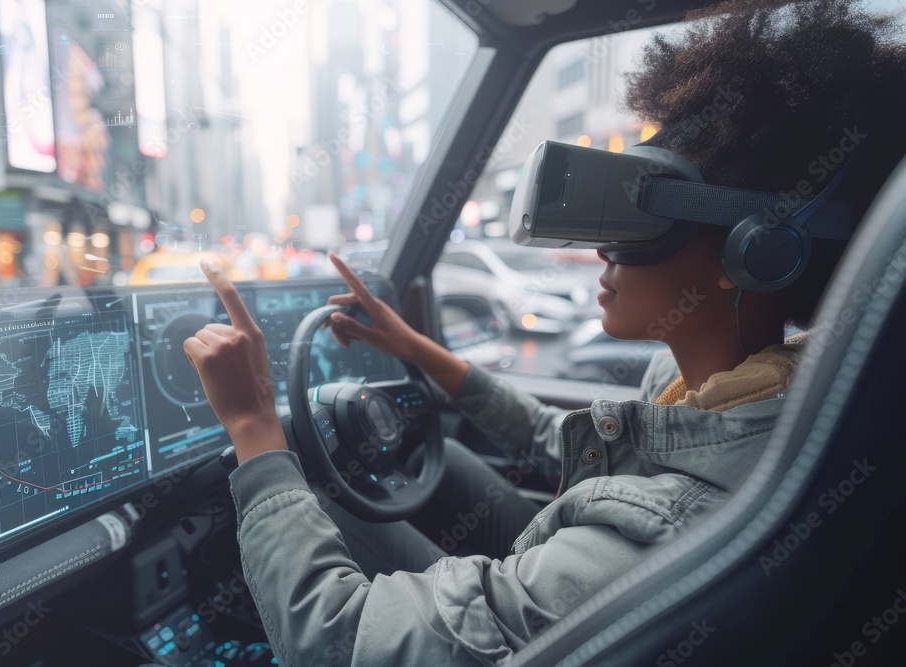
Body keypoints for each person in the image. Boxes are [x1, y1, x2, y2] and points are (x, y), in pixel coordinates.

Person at [182, 0, 906, 663]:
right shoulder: (730, 389)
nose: (603, 250)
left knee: (318, 485)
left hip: (564, 583)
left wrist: (254, 430)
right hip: (562, 547)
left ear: (753, 250)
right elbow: (554, 436)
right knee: (429, 470)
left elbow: (332, 637)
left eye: (644, 218)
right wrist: (417, 349)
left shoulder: (663, 522)